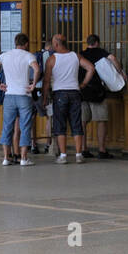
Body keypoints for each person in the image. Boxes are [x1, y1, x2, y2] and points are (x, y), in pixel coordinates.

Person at [0, 32, 40, 166]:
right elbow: (37, 69)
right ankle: (23, 158)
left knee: (7, 127)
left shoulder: (5, 55)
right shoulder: (28, 55)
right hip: (24, 95)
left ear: (15, 43)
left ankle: (6, 157)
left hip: (9, 95)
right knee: (25, 126)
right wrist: (33, 85)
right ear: (26, 44)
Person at [43, 34, 94, 163]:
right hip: (75, 93)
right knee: (76, 123)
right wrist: (83, 84)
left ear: (56, 44)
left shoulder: (52, 59)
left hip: (59, 94)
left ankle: (63, 156)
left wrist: (44, 97)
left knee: (60, 125)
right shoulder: (75, 56)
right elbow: (91, 68)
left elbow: (47, 81)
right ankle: (78, 155)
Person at [79, 34, 120, 159]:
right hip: (97, 92)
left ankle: (83, 148)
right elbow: (112, 58)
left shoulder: (81, 54)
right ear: (97, 42)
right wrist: (120, 72)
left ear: (88, 43)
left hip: (82, 90)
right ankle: (102, 150)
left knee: (83, 121)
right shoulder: (100, 52)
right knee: (101, 120)